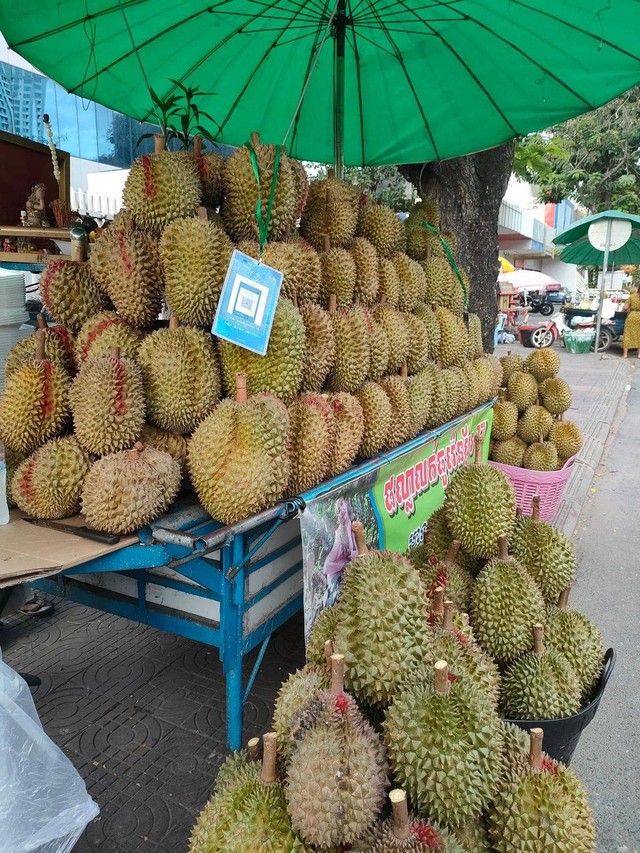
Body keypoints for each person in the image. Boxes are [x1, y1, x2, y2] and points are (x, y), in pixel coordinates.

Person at [622, 288, 640, 358]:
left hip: (632, 316)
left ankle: (625, 354)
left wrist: (627, 309)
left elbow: (625, 307)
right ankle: (639, 354)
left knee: (628, 335)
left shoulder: (632, 296)